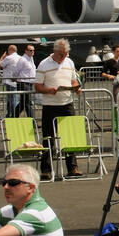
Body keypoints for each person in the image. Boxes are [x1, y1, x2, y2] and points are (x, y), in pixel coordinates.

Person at [35, 38, 82, 179]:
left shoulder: (69, 62)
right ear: (55, 51)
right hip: (50, 105)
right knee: (48, 138)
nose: (63, 57)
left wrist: (76, 88)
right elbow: (37, 85)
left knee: (69, 136)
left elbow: (73, 80)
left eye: (65, 54)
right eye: (61, 54)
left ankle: (72, 167)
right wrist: (48, 90)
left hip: (67, 103)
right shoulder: (44, 64)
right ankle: (46, 170)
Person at [0, 45, 21, 118]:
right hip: (18, 81)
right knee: (13, 99)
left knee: (12, 100)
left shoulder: (8, 58)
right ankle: (11, 114)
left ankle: (13, 115)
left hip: (9, 82)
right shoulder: (20, 58)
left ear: (9, 50)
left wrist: (3, 56)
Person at [14, 42, 37, 117]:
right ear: (26, 51)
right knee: (27, 103)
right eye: (30, 50)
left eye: (33, 50)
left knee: (23, 103)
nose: (32, 52)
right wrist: (14, 78)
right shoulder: (22, 59)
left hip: (29, 83)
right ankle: (32, 121)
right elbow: (16, 71)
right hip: (23, 83)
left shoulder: (31, 59)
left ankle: (13, 116)